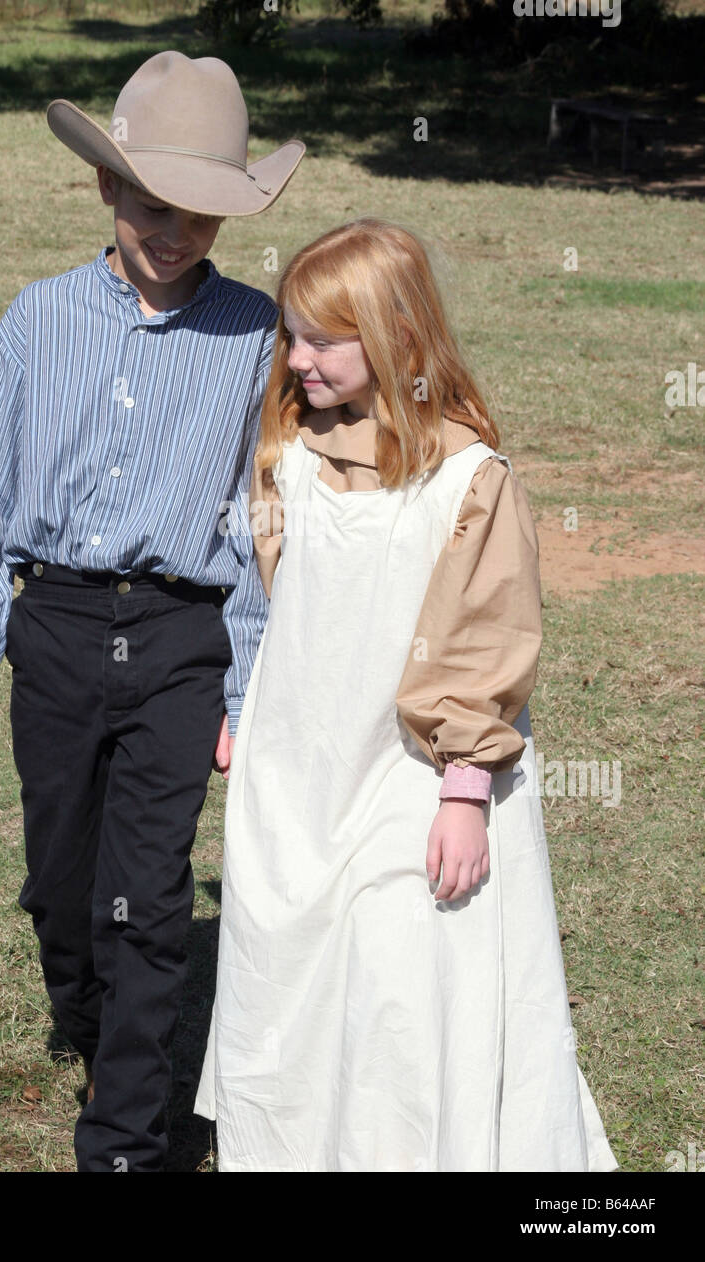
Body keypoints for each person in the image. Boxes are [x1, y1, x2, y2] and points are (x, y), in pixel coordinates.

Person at [0, 51, 305, 1171]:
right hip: (51, 627)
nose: (177, 232)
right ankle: (93, 1023)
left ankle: (127, 1136)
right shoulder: (36, 321)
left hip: (182, 639)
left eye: (203, 214)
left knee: (145, 895)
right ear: (106, 188)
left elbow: (255, 521)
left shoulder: (254, 335)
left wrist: (243, 685)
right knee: (63, 889)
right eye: (155, 205)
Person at [194, 218, 618, 1172]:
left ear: (393, 335)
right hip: (299, 768)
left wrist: (465, 792)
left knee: (398, 987)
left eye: (322, 340)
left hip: (414, 777)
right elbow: (273, 593)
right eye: (290, 336)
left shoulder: (466, 479)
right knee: (295, 976)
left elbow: (484, 636)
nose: (295, 358)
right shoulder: (288, 452)